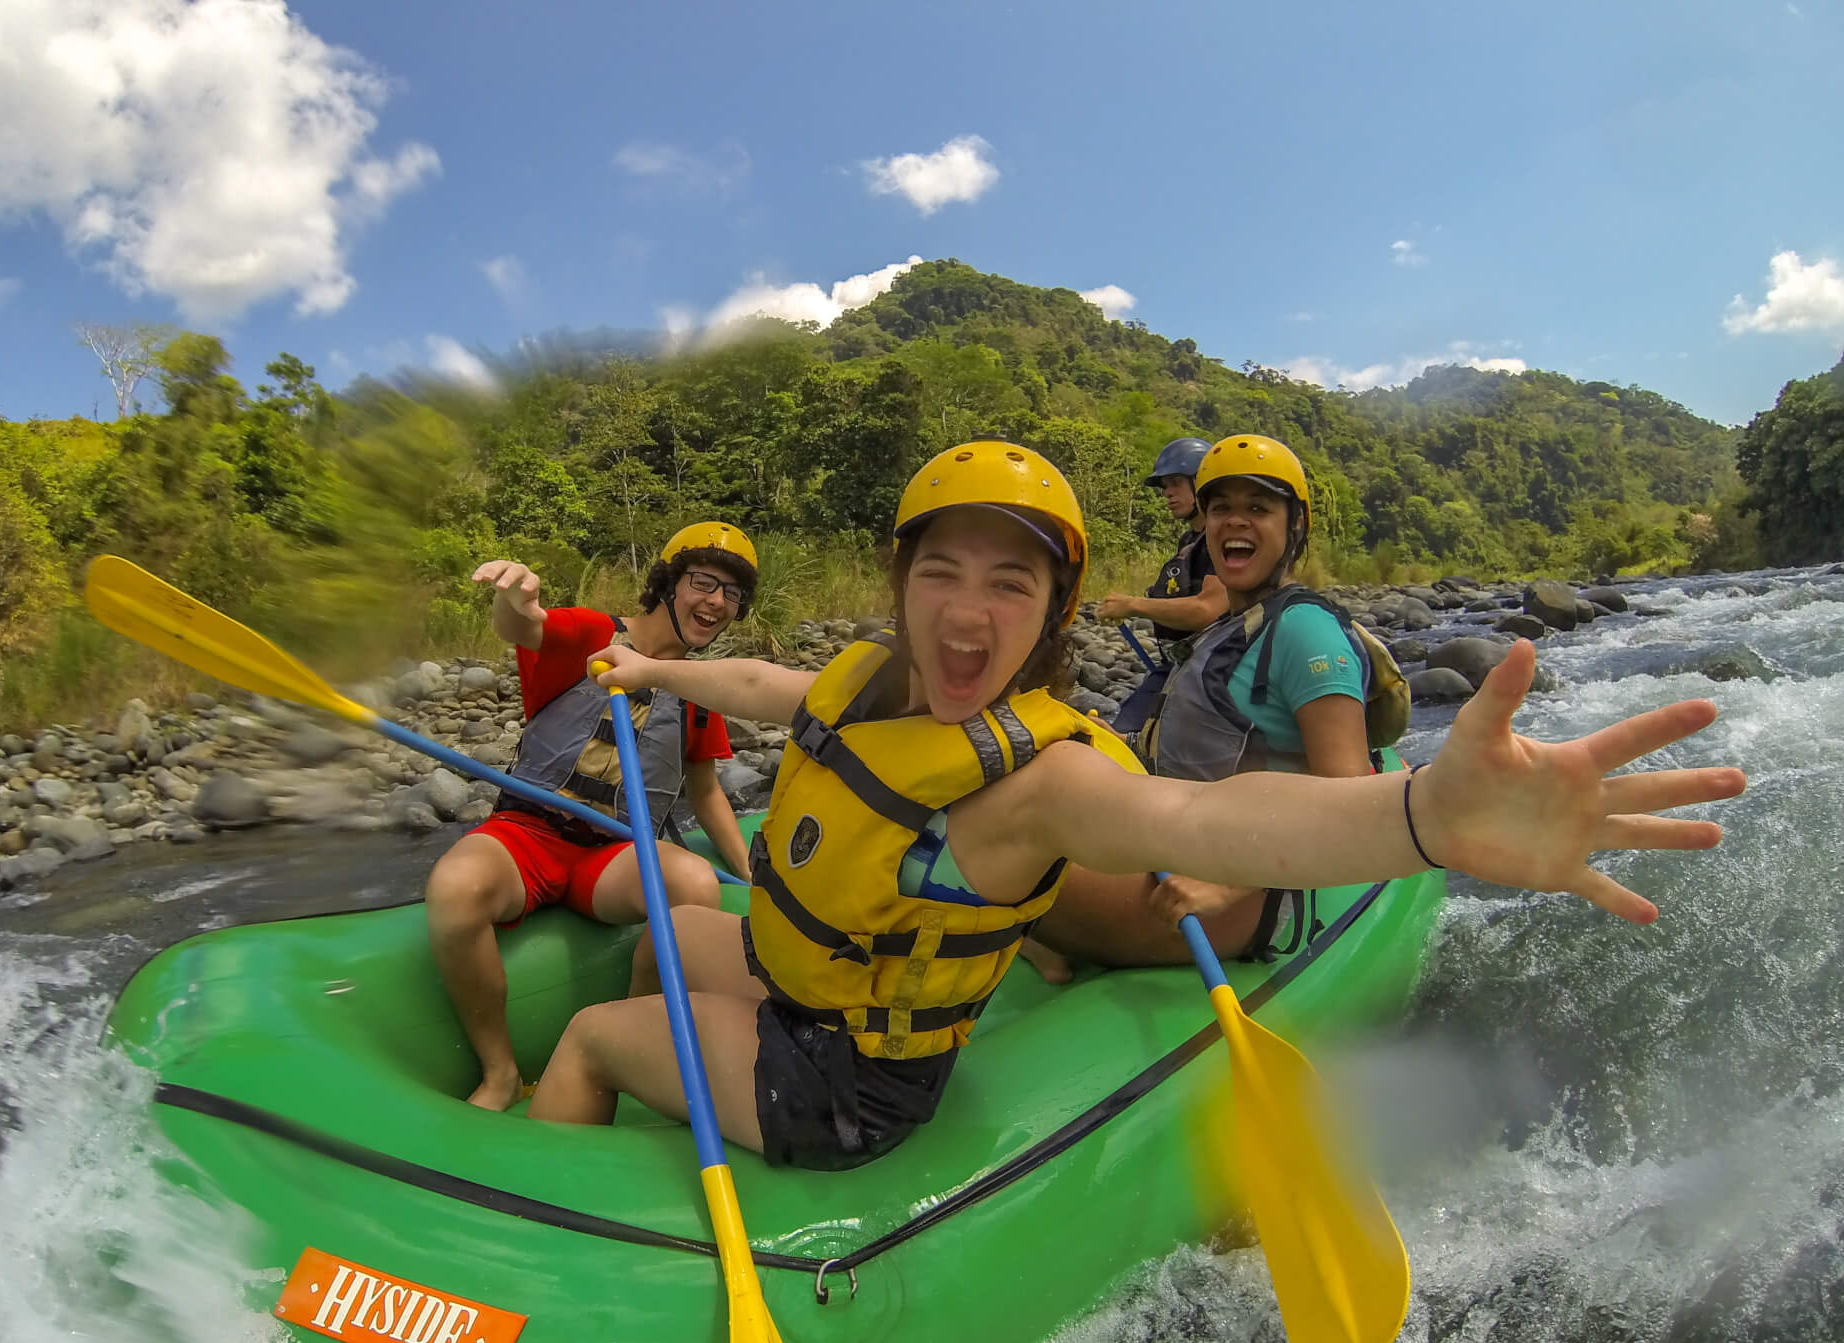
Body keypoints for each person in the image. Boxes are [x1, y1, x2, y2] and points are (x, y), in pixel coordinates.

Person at [524, 441, 1743, 1170]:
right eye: (938, 570)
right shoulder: (864, 682)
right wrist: (650, 672)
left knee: (589, 1038)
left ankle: (577, 1208)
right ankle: (673, 1144)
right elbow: (764, 685)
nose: (966, 610)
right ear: (897, 585)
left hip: (845, 1085)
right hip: (807, 990)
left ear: (1052, 615)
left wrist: (1421, 816)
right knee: (659, 942)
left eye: (1009, 583)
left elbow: (1201, 825)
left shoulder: (1041, 780)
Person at [1034, 432, 1412, 970]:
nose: (1234, 521)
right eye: (1221, 509)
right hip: (1173, 841)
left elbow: (1355, 806)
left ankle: (1033, 941)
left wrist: (1232, 884)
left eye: (1258, 508)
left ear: (1295, 525)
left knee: (997, 839)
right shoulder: (1232, 626)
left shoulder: (1306, 632)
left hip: (1245, 894)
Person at [426, 522, 758, 1111]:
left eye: (731, 594)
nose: (717, 603)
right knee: (455, 888)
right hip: (528, 832)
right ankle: (500, 1073)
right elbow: (524, 627)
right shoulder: (591, 631)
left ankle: (625, 1042)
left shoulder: (700, 690)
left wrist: (750, 876)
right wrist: (513, 596)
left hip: (612, 853)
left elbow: (705, 792)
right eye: (704, 583)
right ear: (667, 584)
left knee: (693, 883)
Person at [1094, 436, 1228, 745]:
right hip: (1179, 665)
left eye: (1177, 483)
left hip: (1212, 674)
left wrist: (1133, 605)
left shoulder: (1222, 541)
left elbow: (1205, 611)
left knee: (1129, 745)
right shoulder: (1189, 542)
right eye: (1165, 485)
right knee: (1113, 739)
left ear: (1203, 483)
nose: (1167, 493)